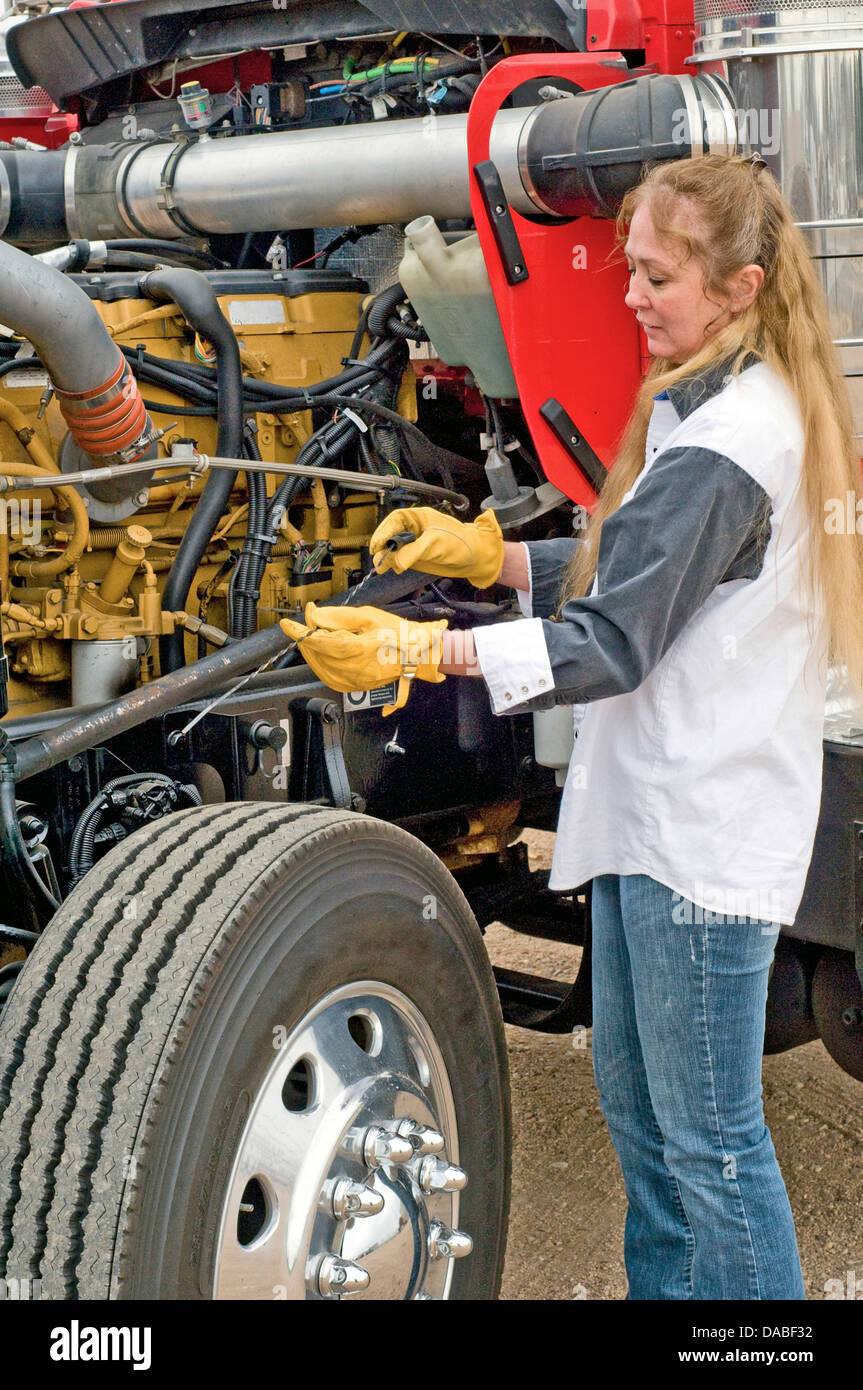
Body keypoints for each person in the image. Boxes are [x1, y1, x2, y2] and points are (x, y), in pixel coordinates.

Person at [281, 152, 863, 1299]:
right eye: (630, 269)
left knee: (709, 1146)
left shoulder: (728, 441)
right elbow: (648, 567)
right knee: (644, 1124)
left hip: (698, 839)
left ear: (739, 288)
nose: (631, 296)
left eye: (658, 277)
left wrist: (422, 647)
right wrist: (492, 556)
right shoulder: (727, 404)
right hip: (662, 822)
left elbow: (613, 639)